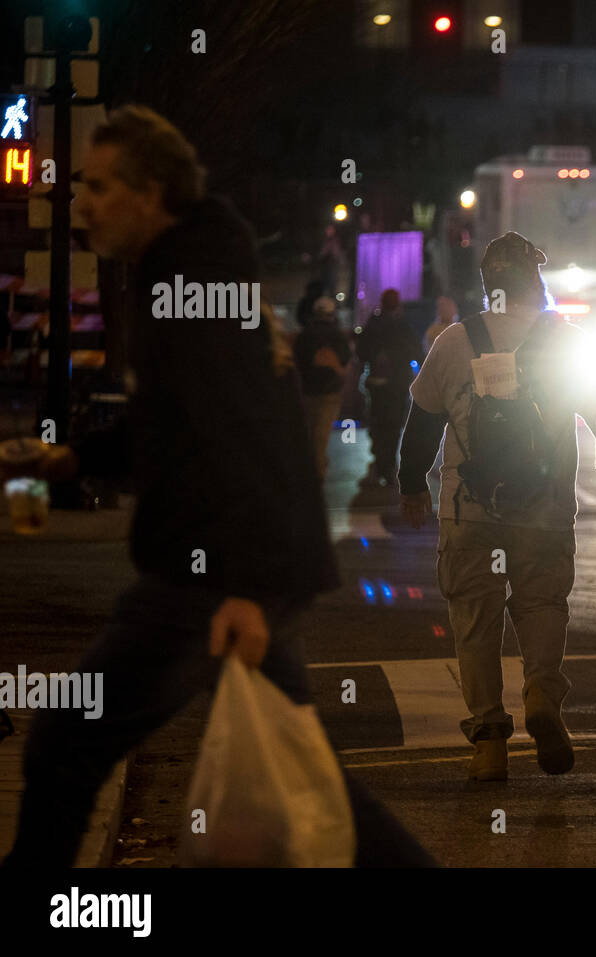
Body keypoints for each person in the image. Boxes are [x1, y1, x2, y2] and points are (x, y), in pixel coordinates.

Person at [2, 105, 432, 868]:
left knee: (67, 739)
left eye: (100, 187)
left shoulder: (188, 272)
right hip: (235, 562)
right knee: (306, 765)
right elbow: (176, 419)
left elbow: (235, 431)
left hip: (210, 571)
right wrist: (71, 461)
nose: (84, 203)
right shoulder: (189, 262)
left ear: (153, 190)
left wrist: (239, 583)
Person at [397, 232, 583, 783]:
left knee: (475, 624)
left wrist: (412, 486)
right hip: (544, 510)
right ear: (536, 282)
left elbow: (422, 423)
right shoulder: (566, 340)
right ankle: (542, 698)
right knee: (542, 605)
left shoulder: (456, 340)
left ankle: (489, 746)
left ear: (489, 285)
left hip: (468, 510)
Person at [357, 288, 422, 488]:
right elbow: (415, 351)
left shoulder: (373, 323)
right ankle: (389, 465)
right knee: (393, 426)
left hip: (378, 382)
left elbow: (361, 351)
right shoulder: (403, 325)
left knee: (378, 423)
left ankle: (380, 461)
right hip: (398, 383)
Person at [293, 296, 353, 479]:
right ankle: (316, 478)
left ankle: (313, 471)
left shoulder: (304, 335)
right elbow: (346, 362)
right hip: (330, 393)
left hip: (308, 392)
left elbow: (297, 362)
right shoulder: (338, 336)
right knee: (320, 438)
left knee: (310, 437)